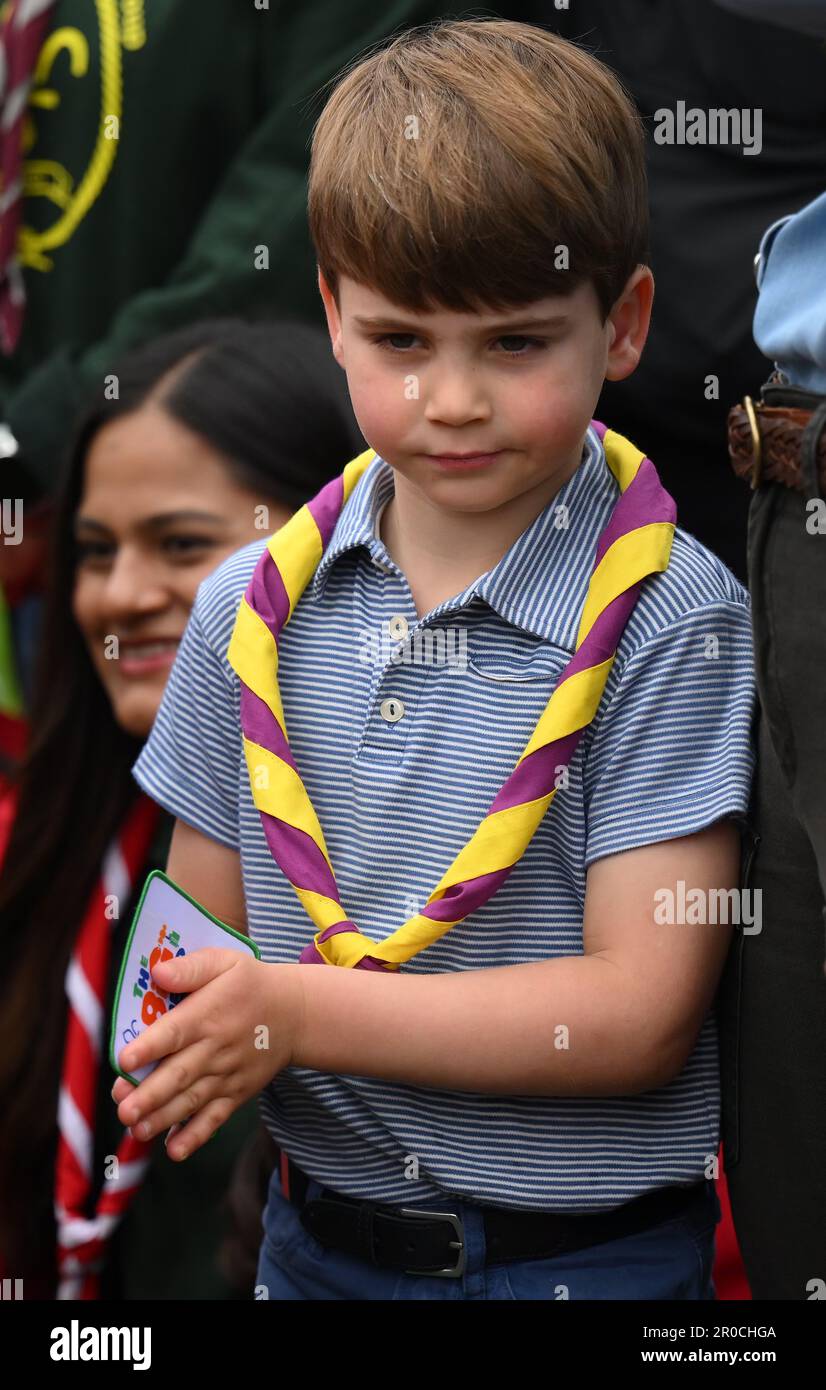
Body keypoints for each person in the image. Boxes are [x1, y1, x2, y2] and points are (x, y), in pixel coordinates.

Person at [118, 19, 755, 1301]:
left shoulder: (672, 617)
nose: (452, 399)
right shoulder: (245, 608)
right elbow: (192, 942)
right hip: (308, 1247)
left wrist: (293, 1013)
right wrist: (180, 1035)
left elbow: (637, 1015)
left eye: (515, 342)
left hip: (580, 1264)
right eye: (401, 341)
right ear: (331, 318)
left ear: (622, 322)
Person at [0, 316, 364, 1299]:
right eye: (91, 549)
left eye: (180, 543)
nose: (119, 595)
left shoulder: (451, 872)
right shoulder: (42, 850)